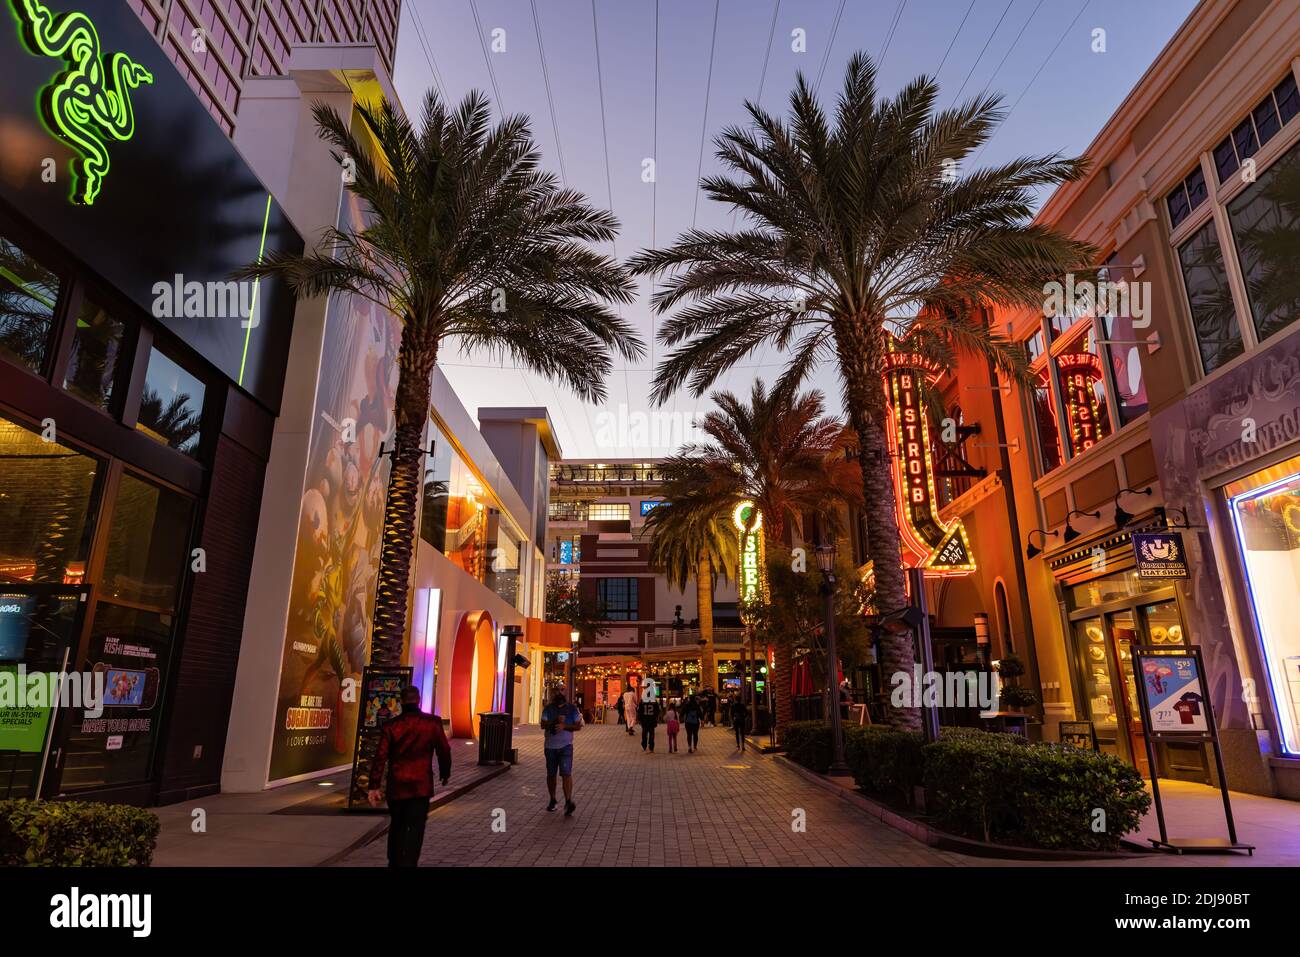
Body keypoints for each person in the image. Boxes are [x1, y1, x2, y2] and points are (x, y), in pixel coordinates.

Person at [367, 685, 452, 868]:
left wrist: (374, 785)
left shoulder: (391, 726)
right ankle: (410, 862)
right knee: (416, 826)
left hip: (397, 785)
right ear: (419, 700)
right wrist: (445, 773)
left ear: (401, 702)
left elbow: (380, 756)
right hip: (421, 785)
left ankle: (394, 861)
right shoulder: (432, 723)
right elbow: (444, 750)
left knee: (397, 824)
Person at [540, 690, 583, 816]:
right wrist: (555, 721)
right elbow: (543, 724)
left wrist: (564, 726)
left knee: (566, 773)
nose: (559, 694)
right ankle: (553, 799)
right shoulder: (548, 708)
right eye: (557, 692)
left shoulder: (572, 709)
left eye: (562, 692)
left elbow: (578, 726)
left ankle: (568, 801)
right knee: (551, 774)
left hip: (566, 746)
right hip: (550, 747)